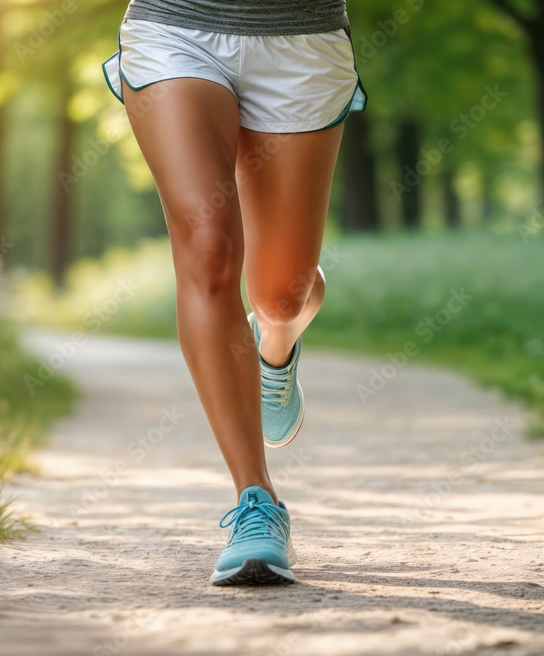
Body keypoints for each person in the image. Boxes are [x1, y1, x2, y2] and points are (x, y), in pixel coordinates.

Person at [102, 0, 366, 586]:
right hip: (174, 27)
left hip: (301, 36)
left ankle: (275, 346)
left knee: (283, 296)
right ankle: (257, 501)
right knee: (210, 251)